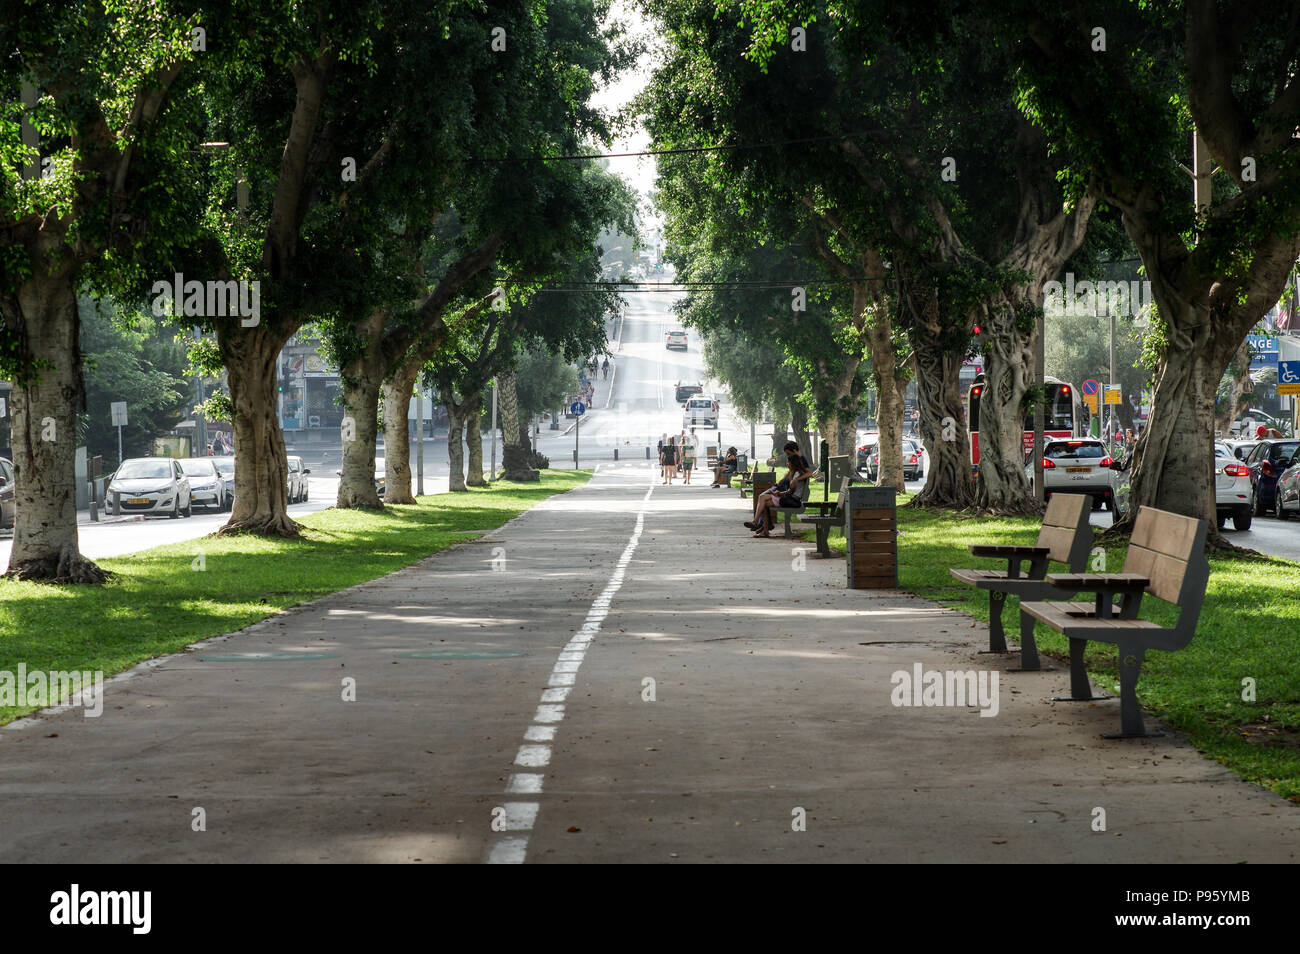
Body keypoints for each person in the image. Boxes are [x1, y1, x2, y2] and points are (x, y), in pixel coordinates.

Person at [746, 442, 813, 537]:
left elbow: (809, 474)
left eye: (788, 457)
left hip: (791, 499)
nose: (787, 463)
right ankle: (762, 526)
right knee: (763, 498)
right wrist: (780, 490)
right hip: (787, 495)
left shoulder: (799, 462)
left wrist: (793, 482)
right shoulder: (794, 470)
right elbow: (790, 485)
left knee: (762, 498)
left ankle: (759, 523)